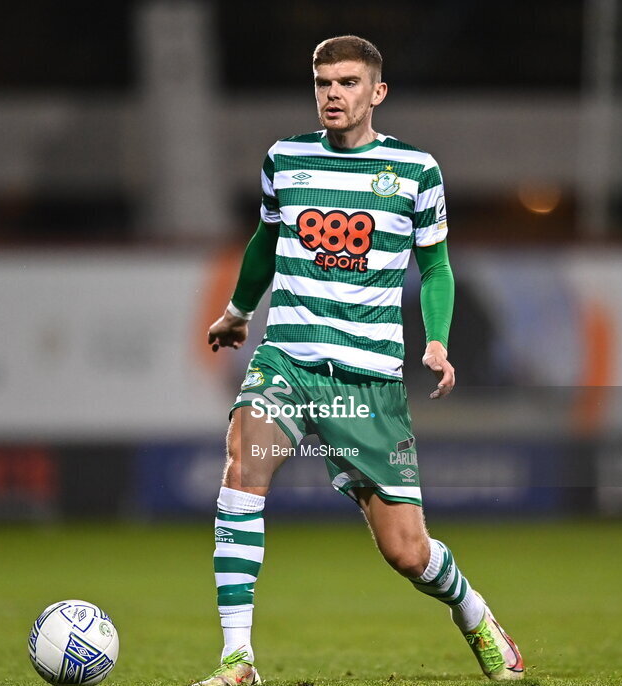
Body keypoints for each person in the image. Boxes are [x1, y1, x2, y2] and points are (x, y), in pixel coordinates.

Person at [196, 35, 524, 683]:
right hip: (285, 361)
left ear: (376, 92)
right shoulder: (284, 160)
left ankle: (473, 613)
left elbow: (434, 267)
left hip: (367, 383)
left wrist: (435, 338)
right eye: (322, 83)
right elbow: (265, 240)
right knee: (241, 470)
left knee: (407, 553)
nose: (332, 95)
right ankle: (238, 660)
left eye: (347, 83)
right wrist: (237, 311)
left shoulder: (415, 172)